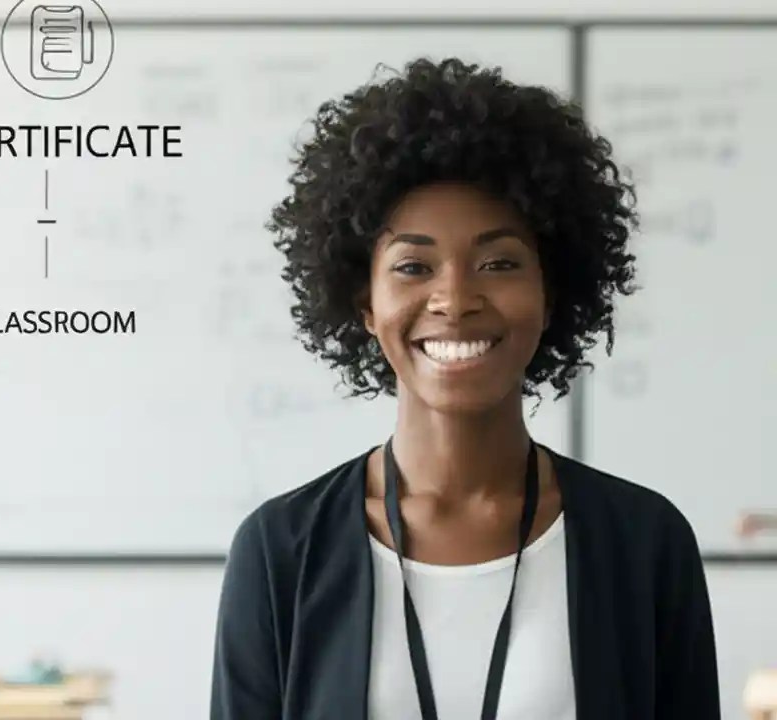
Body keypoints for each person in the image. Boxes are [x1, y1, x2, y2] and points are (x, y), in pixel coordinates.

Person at [210, 57, 719, 719]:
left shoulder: (644, 542)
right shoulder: (281, 551)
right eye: (414, 266)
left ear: (550, 290)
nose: (454, 298)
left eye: (498, 263)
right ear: (365, 301)